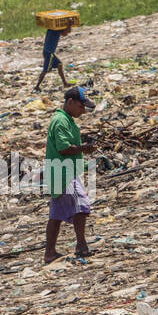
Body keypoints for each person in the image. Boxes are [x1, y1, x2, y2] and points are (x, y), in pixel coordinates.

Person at [43, 86, 96, 264]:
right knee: (81, 205)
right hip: (62, 172)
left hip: (63, 171)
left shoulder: (67, 119)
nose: (82, 111)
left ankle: (49, 253)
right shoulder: (60, 121)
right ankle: (81, 245)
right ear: (70, 102)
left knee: (56, 215)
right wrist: (84, 148)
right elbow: (63, 148)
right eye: (81, 107)